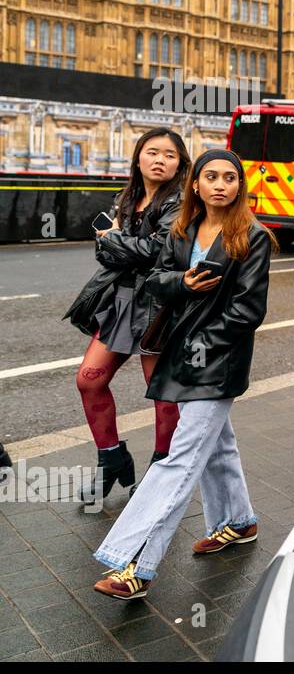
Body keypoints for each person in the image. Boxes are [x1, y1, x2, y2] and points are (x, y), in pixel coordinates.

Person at [91, 149, 277, 600]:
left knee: (179, 458)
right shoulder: (183, 229)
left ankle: (136, 562)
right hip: (180, 352)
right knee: (216, 446)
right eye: (209, 176)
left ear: (239, 187)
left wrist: (202, 347)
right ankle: (238, 521)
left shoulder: (252, 237)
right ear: (195, 185)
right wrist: (183, 283)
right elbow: (155, 279)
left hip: (216, 361)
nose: (219, 184)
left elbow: (247, 311)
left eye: (228, 178)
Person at [63, 128, 190, 503]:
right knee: (89, 379)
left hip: (159, 303)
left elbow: (159, 252)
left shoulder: (180, 202)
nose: (160, 159)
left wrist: (113, 240)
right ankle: (112, 458)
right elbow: (103, 253)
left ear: (180, 163)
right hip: (121, 300)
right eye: (152, 152)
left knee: (161, 392)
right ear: (138, 157)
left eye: (169, 154)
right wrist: (116, 244)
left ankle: (161, 471)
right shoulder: (125, 197)